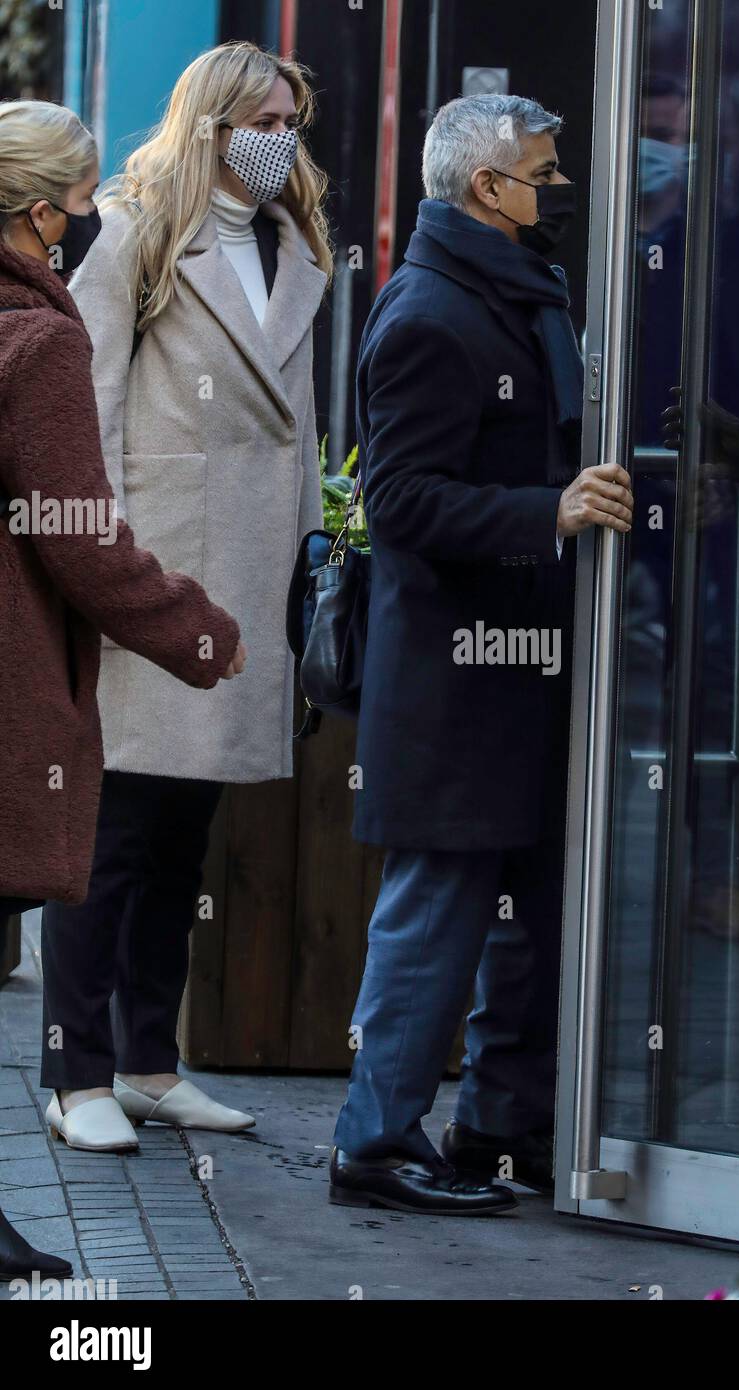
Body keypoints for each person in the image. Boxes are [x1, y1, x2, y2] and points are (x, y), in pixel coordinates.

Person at [329, 95, 634, 1215]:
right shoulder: (427, 313)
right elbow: (400, 502)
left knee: (533, 912)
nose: (558, 187)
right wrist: (546, 512)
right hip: (457, 681)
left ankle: (501, 1131)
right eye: (542, 173)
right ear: (484, 189)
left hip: (531, 671)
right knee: (438, 910)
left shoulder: (520, 290)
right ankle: (373, 1139)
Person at [37, 41, 330, 1151]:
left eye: (294, 119)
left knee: (183, 836)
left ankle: (152, 1060)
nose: (283, 137)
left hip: (249, 567)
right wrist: (99, 557)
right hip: (156, 564)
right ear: (212, 117)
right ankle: (76, 1073)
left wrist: (310, 545)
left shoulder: (293, 241)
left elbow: (297, 423)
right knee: (113, 834)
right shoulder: (132, 230)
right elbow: (88, 403)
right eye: (267, 114)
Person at [0, 99, 242, 1269]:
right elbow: (82, 538)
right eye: (84, 197)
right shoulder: (40, 341)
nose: (96, 217)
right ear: (44, 212)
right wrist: (199, 632)